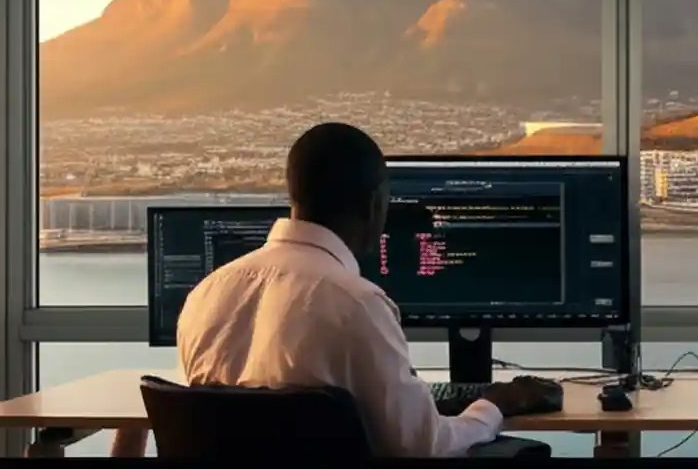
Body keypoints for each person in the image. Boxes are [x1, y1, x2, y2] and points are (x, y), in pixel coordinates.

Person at [176, 122, 547, 457]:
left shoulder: (205, 295)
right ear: (375, 205)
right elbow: (421, 445)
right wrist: (494, 404)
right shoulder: (357, 305)